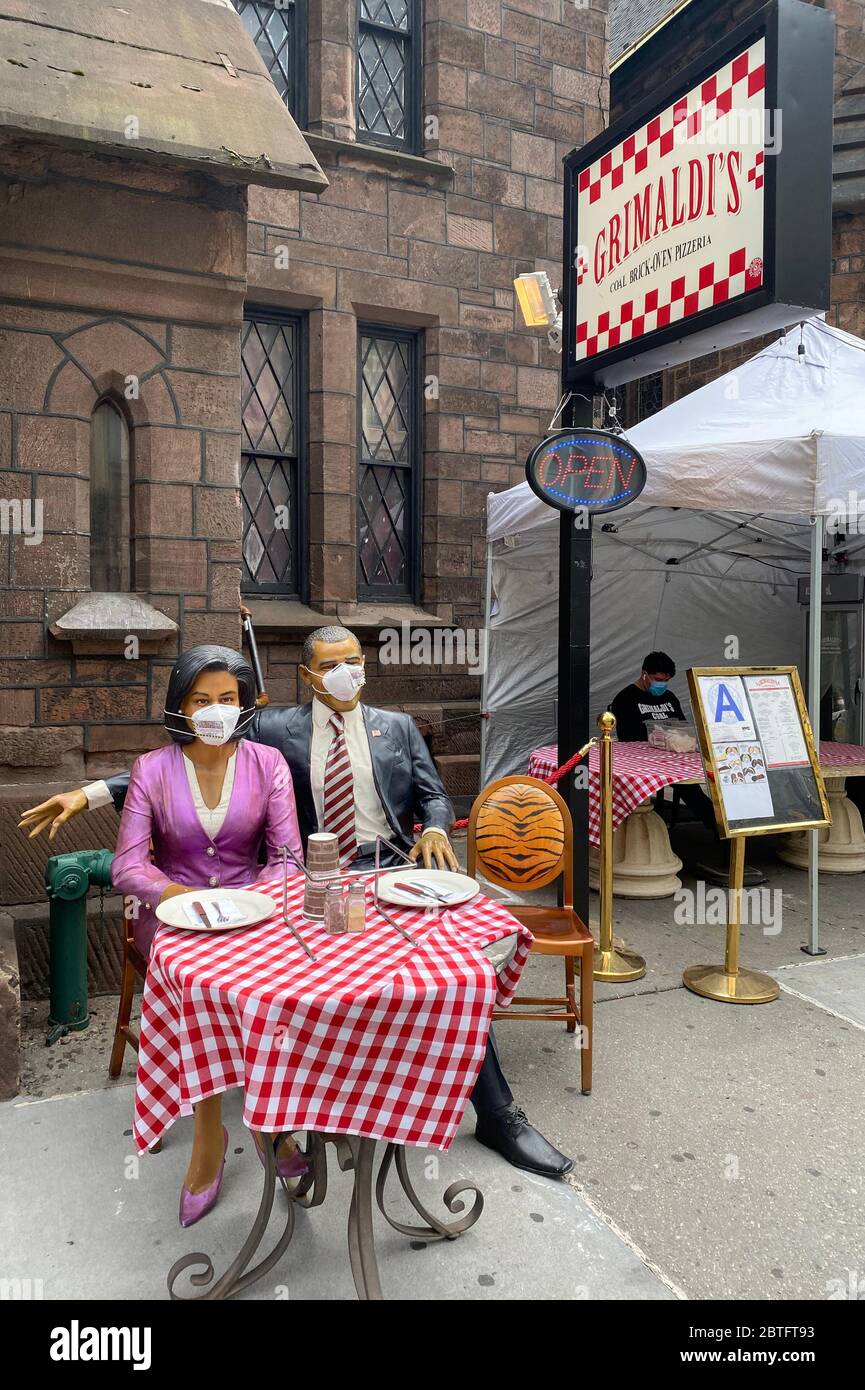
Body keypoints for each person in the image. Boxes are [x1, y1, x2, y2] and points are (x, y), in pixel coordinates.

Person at [21, 624, 573, 1180]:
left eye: (355, 660)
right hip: (310, 877)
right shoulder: (274, 727)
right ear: (307, 676)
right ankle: (312, 1103)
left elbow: (433, 794)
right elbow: (190, 746)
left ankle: (497, 1114)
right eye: (332, 664)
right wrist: (90, 792)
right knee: (306, 983)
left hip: (387, 872)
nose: (347, 673)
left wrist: (432, 827)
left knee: (456, 971)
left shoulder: (398, 727)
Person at [86, 644, 306, 1227]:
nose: (215, 710)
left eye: (227, 699)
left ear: (244, 705)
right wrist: (187, 900)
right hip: (172, 915)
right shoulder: (151, 769)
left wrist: (250, 902)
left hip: (253, 908)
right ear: (180, 706)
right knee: (202, 988)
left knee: (276, 985)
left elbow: (287, 857)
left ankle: (271, 1121)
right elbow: (129, 867)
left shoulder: (269, 764)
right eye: (201, 700)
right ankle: (209, 1130)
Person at [610, 650, 718, 832]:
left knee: (701, 780)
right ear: (644, 674)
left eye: (666, 680)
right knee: (690, 790)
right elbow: (627, 738)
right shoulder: (626, 698)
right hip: (643, 760)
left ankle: (722, 823)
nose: (662, 684)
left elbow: (682, 727)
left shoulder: (670, 698)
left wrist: (679, 740)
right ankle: (717, 825)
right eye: (658, 679)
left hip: (675, 755)